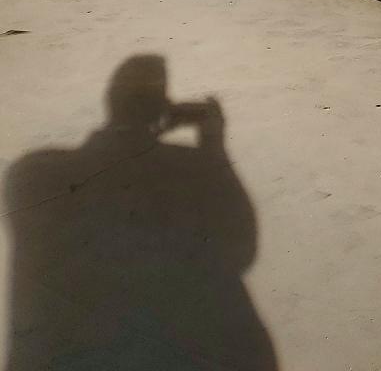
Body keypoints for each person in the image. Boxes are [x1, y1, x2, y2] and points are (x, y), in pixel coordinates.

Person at [4, 55, 275, 370]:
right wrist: (213, 144)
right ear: (164, 110)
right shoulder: (192, 170)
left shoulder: (35, 173)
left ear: (109, 101)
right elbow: (241, 250)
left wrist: (140, 131)